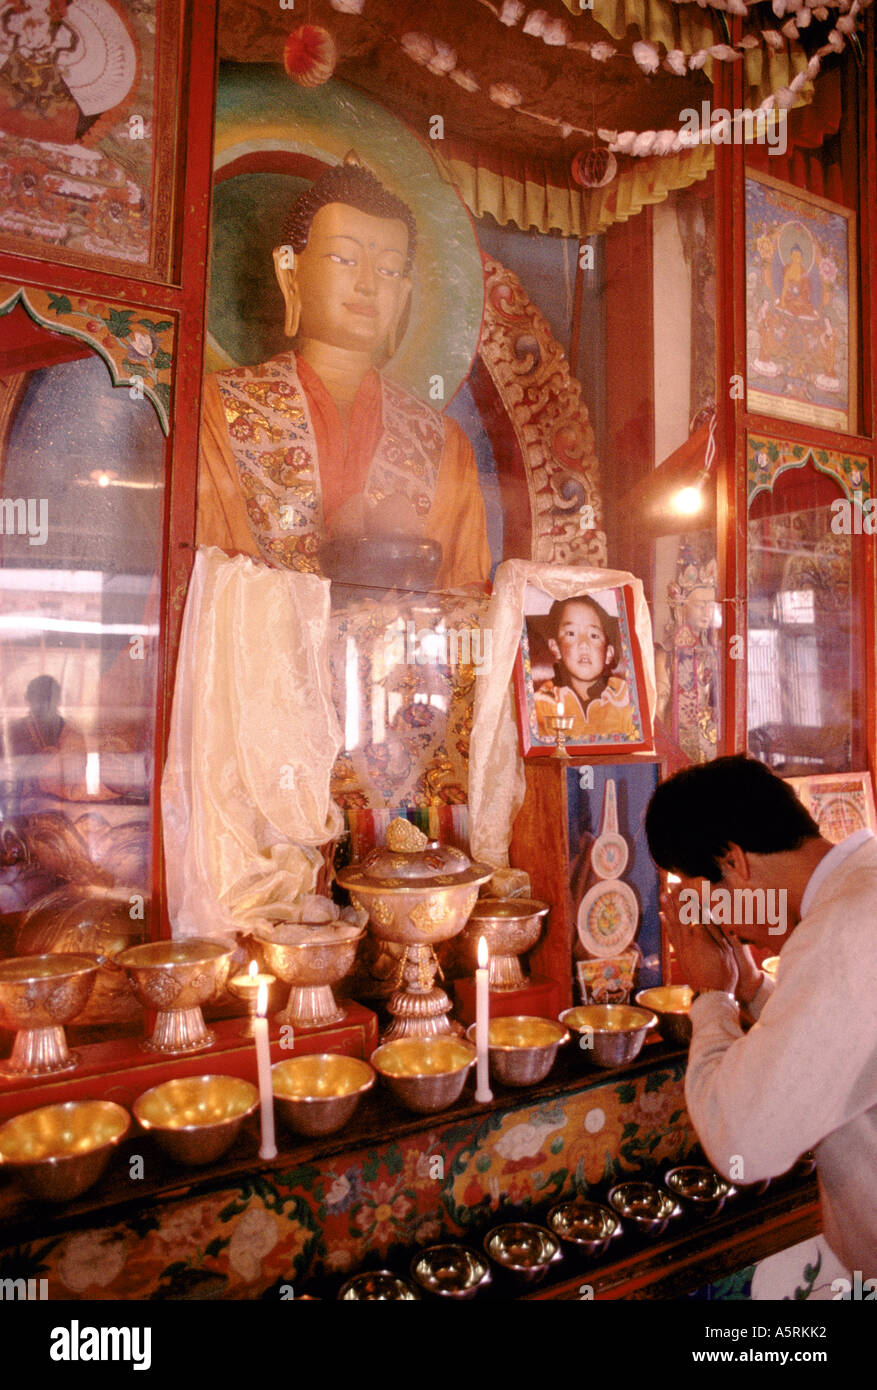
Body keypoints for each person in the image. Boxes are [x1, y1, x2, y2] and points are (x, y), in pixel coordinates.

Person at [196, 158, 491, 591]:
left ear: (404, 293)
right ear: (289, 271)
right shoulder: (216, 407)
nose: (368, 284)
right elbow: (203, 583)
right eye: (343, 258)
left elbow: (465, 600)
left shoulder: (446, 446)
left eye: (389, 270)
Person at [645, 754, 877, 1278]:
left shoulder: (844, 929)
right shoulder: (863, 887)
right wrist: (750, 988)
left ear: (733, 861)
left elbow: (743, 1143)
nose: (719, 918)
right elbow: (843, 1046)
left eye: (707, 893)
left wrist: (710, 998)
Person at [533, 594, 637, 741]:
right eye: (571, 633)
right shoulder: (543, 702)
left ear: (608, 654)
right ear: (556, 648)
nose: (583, 644)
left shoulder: (625, 698)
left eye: (594, 636)